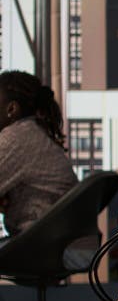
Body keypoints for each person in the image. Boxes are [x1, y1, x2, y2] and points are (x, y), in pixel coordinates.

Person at [0, 71, 78, 237]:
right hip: (58, 243)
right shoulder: (32, 133)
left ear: (11, 109)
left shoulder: (16, 138)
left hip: (44, 245)